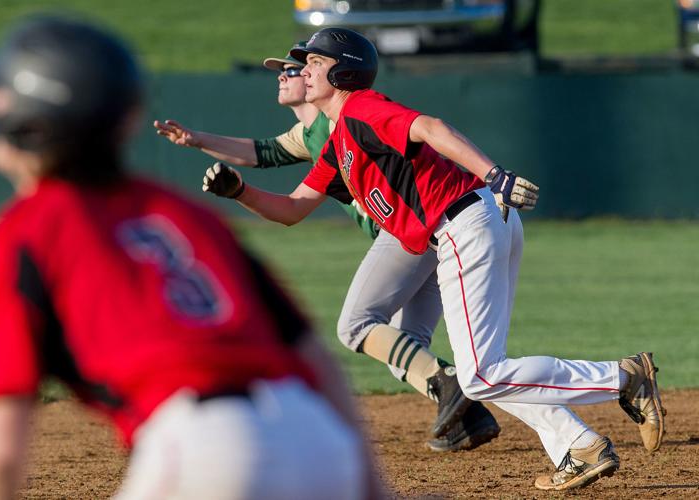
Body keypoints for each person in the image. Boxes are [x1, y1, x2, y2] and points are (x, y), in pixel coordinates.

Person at [201, 27, 666, 491]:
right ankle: (577, 446)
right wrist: (239, 192)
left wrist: (495, 174)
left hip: (465, 223)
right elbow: (292, 209)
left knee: (481, 374)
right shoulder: (338, 140)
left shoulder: (361, 107)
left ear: (343, 71)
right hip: (475, 223)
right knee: (485, 367)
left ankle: (621, 378)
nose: (305, 69)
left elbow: (430, 128)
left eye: (316, 62)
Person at [0, 16, 384, 500]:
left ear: (27, 118)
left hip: (202, 449)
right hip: (316, 437)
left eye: (0, 94)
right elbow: (310, 353)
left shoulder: (22, 232)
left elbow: (2, 444)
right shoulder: (183, 213)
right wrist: (370, 485)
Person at [154, 44, 501, 452]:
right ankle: (472, 415)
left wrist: (494, 174)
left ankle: (455, 387)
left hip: (411, 233)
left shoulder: (348, 114)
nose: (284, 75)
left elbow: (425, 128)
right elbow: (270, 169)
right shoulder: (315, 134)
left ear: (324, 76)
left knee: (360, 326)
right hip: (423, 235)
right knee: (405, 351)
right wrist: (202, 147)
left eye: (295, 68)